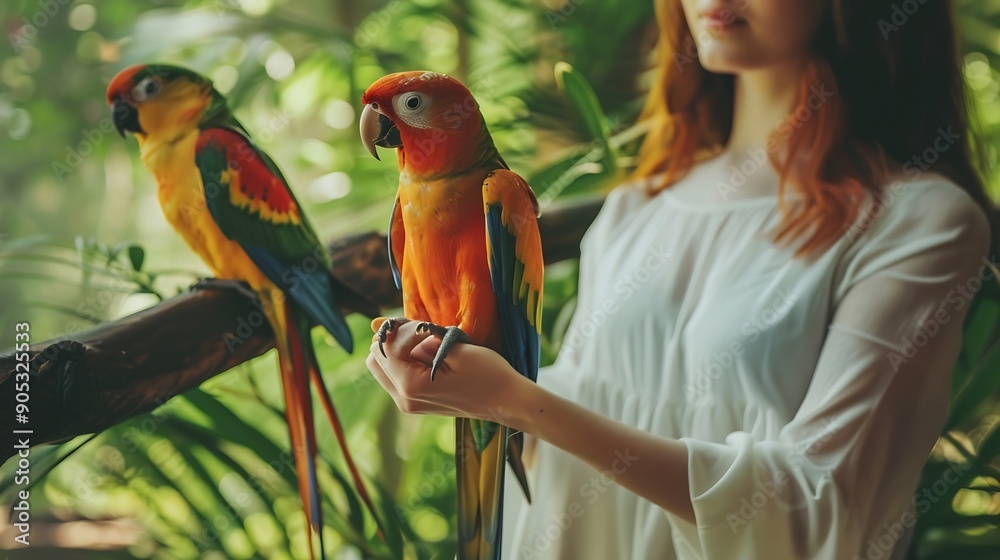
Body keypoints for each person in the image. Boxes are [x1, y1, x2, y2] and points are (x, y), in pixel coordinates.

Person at [365, 0, 998, 557]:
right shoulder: (639, 207)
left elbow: (821, 510)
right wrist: (465, 385)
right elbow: (567, 434)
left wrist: (509, 399)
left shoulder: (923, 222)